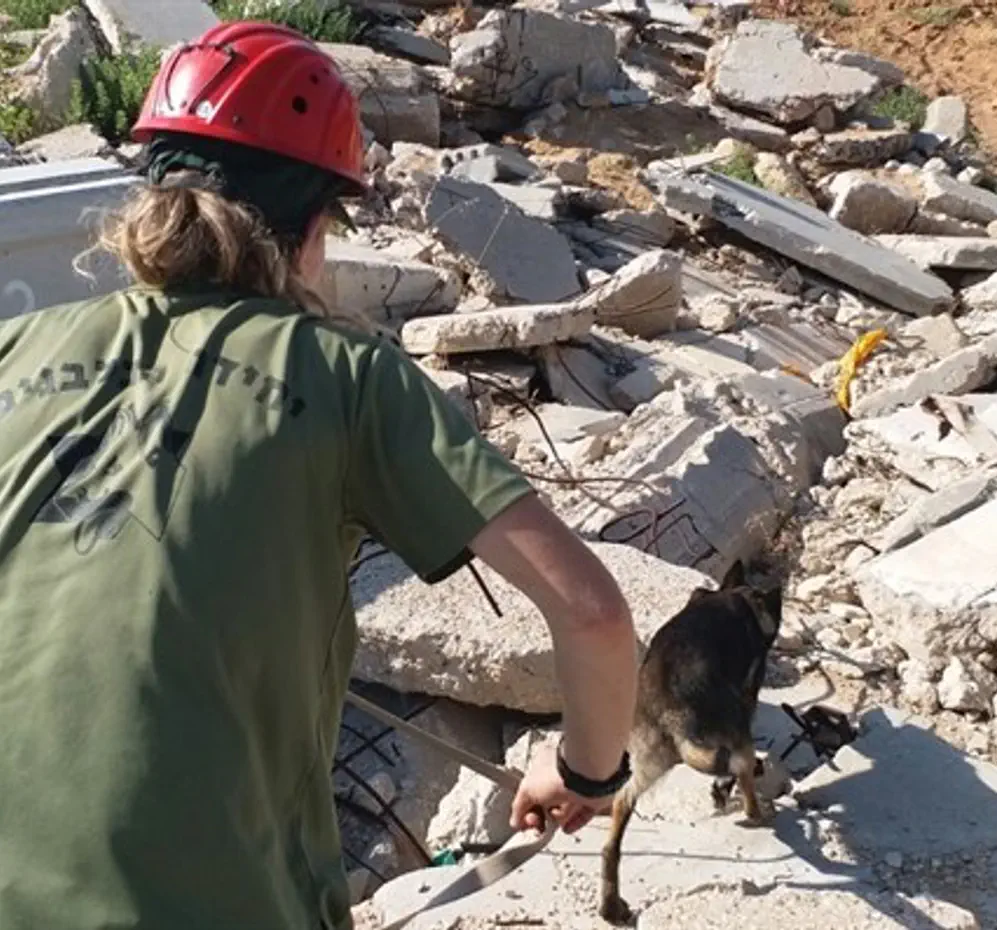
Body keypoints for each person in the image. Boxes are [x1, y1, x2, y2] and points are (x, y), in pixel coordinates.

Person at [0, 20, 637, 930]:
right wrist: (584, 769)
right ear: (309, 229)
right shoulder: (348, 376)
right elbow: (593, 613)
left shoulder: (17, 346)